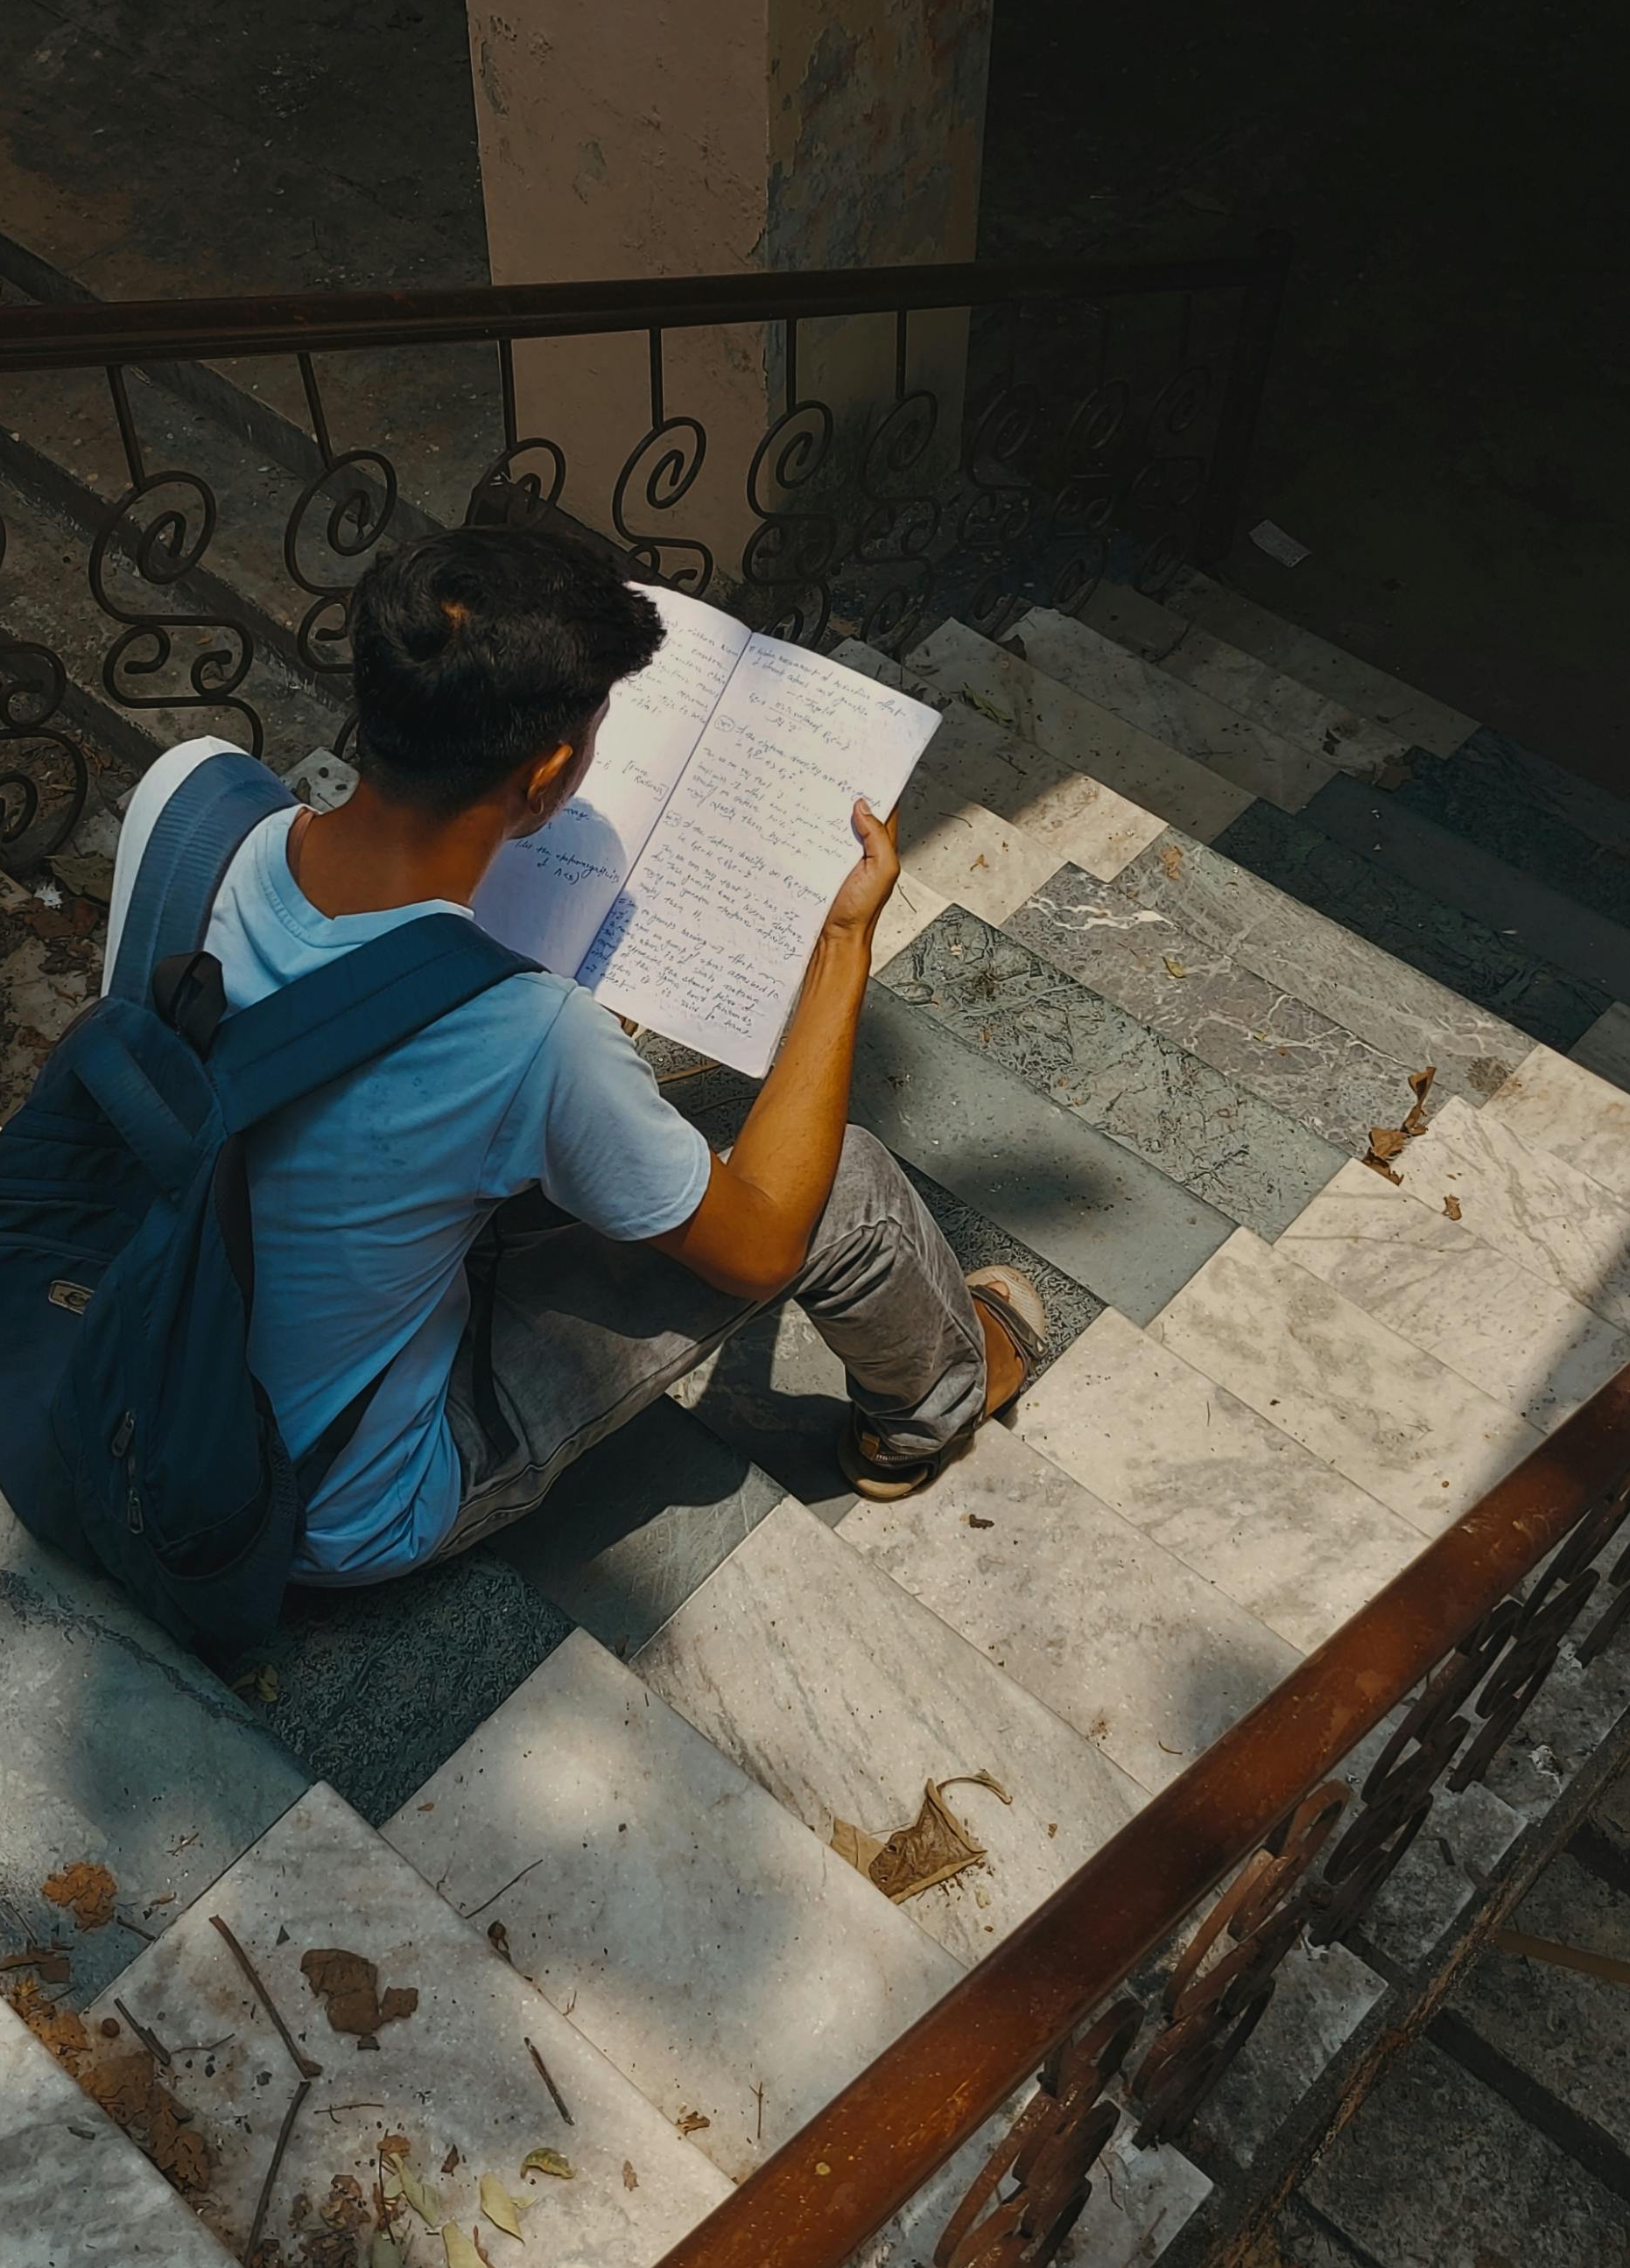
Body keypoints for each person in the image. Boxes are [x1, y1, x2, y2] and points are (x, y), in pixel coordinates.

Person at [102, 518, 1043, 1586]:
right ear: (547, 772)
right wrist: (841, 941)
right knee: (849, 1191)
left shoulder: (188, 796)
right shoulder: (526, 1037)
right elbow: (767, 1245)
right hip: (319, 1501)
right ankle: (931, 1408)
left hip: (143, 1334)